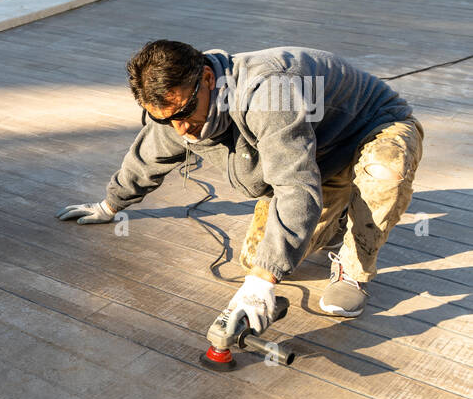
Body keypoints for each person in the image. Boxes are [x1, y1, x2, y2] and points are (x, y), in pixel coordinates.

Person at [57, 40, 424, 332]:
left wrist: (262, 283)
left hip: (374, 129)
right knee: (256, 258)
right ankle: (341, 208)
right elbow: (147, 157)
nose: (181, 129)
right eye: (165, 119)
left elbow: (295, 186)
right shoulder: (175, 110)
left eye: (184, 114)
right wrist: (109, 206)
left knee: (381, 172)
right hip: (319, 156)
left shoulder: (268, 92)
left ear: (206, 78)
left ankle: (354, 271)